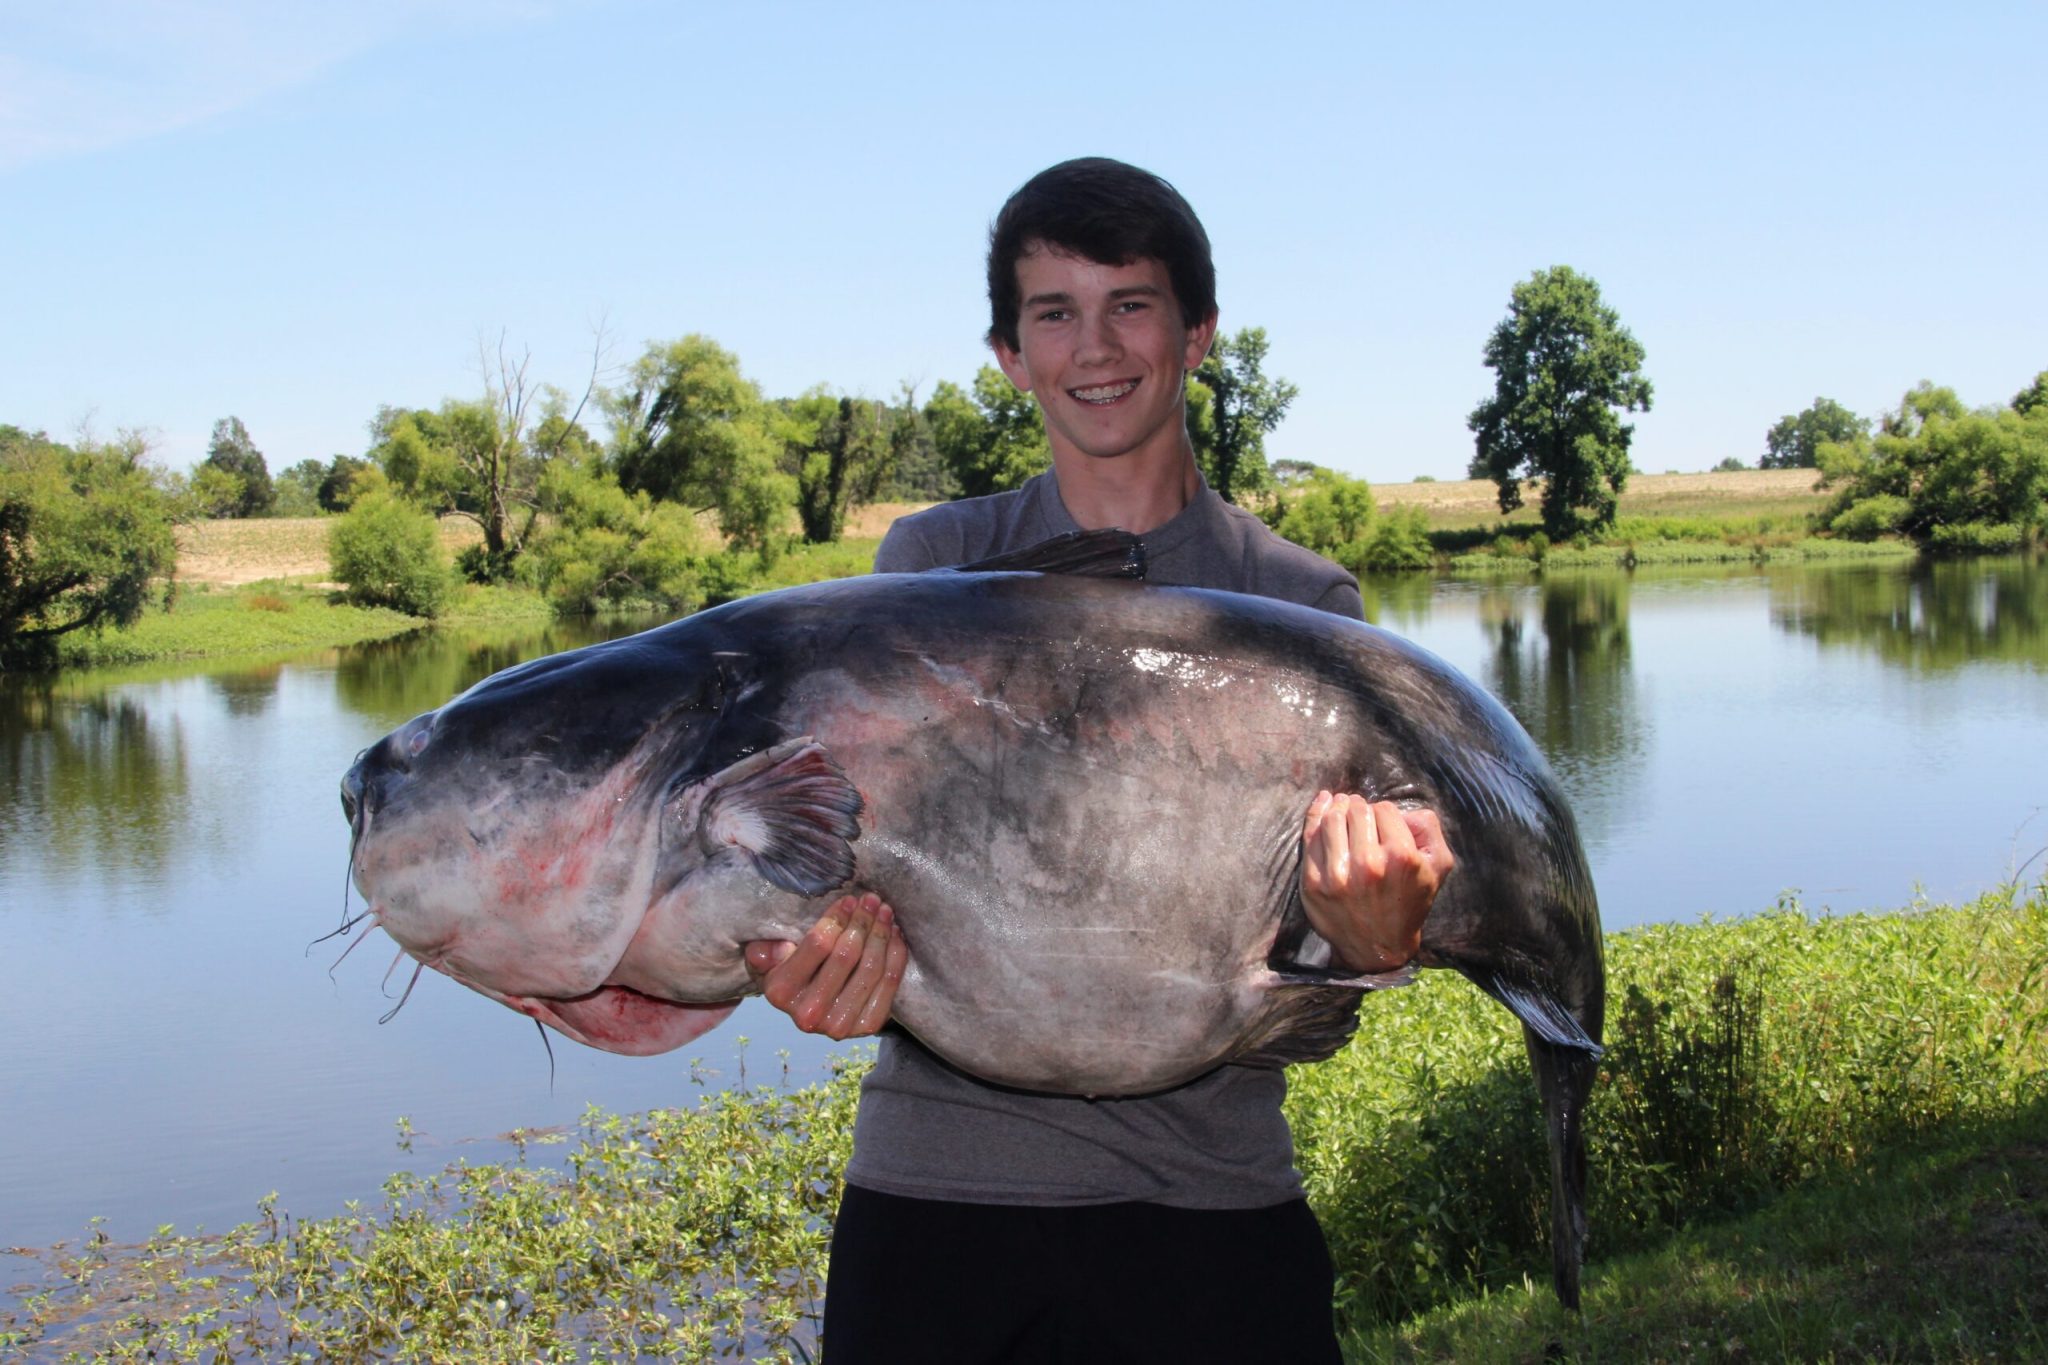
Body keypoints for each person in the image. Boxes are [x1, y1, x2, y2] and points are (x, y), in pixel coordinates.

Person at [744, 156, 1455, 1364]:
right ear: (1008, 355)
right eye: (1052, 314)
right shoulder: (932, 569)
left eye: (1129, 302)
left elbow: (1315, 980)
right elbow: (848, 853)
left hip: (1211, 1210)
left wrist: (1374, 949)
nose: (1095, 346)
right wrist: (813, 957)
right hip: (936, 1207)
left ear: (1198, 334)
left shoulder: (1295, 602)